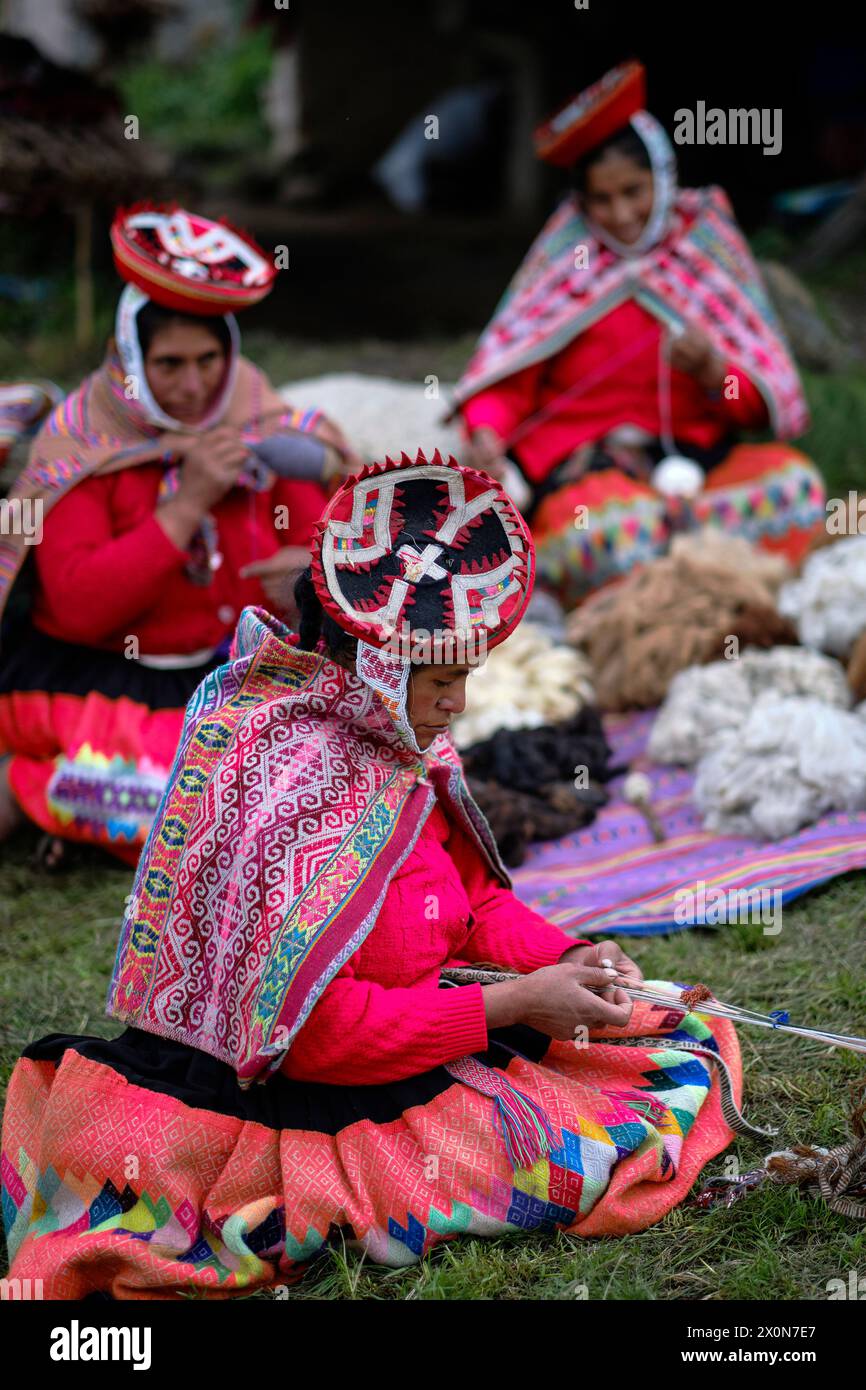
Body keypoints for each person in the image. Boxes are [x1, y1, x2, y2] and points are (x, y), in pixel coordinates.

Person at [1, 451, 742, 1299]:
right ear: (383, 666)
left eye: (465, 677)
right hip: (294, 1095)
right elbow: (317, 1039)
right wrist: (514, 1002)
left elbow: (474, 903)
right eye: (444, 680)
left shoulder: (398, 738)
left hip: (420, 1020)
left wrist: (567, 954)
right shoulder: (288, 778)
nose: (458, 704)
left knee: (671, 1037)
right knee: (578, 1145)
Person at [0, 205, 358, 866]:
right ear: (132, 360)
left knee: (312, 769)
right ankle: (28, 786)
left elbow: (319, 533)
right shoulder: (81, 447)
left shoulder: (254, 422)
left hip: (228, 675)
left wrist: (306, 579)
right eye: (168, 364)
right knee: (188, 804)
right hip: (106, 683)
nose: (195, 387)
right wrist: (189, 500)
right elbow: (78, 609)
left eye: (209, 360)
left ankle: (63, 807)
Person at [452, 62, 825, 608]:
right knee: (613, 533)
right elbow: (510, 375)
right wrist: (486, 430)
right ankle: (664, 616)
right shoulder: (567, 260)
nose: (620, 214)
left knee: (795, 487)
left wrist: (711, 371)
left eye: (634, 191)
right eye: (601, 200)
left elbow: (755, 409)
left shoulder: (705, 251)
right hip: (586, 466)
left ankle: (710, 603)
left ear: (666, 179)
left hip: (696, 461)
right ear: (582, 203)